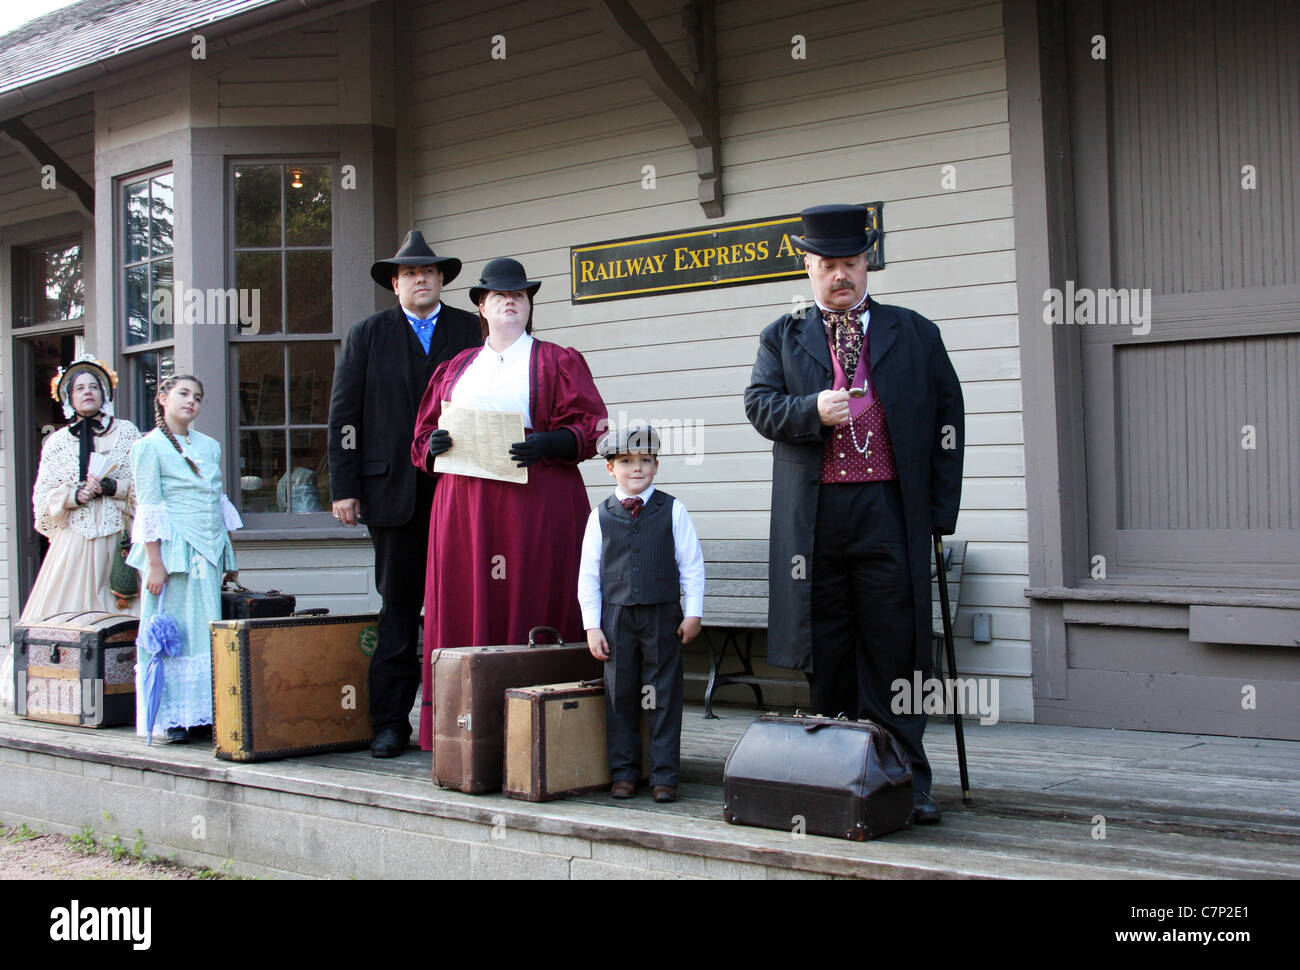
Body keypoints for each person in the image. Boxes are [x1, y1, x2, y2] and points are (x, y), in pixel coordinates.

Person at [744, 204, 964, 824]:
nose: (840, 275)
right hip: (816, 515)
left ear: (867, 264)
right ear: (808, 268)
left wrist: (938, 512)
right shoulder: (781, 336)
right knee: (829, 644)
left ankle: (903, 777)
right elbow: (761, 406)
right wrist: (811, 409)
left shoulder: (914, 331)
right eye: (828, 266)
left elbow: (949, 416)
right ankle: (835, 775)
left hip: (890, 507)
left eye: (851, 263)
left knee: (895, 647)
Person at [410, 257, 607, 752]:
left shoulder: (557, 359)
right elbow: (421, 437)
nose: (510, 302)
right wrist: (433, 444)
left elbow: (592, 426)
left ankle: (544, 728)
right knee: (467, 597)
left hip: (536, 502)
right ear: (481, 306)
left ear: (529, 304)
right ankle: (465, 728)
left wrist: (550, 443)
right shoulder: (456, 368)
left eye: (519, 295)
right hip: (464, 507)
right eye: (499, 296)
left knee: (535, 594)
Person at [328, 230, 481, 758]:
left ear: (442, 280)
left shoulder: (471, 329)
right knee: (398, 611)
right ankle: (390, 722)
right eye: (411, 273)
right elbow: (344, 416)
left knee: (463, 605)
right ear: (395, 284)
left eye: (431, 272)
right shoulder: (368, 334)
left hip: (461, 491)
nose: (422, 279)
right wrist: (345, 487)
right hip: (392, 494)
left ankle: (463, 720)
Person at [579, 424, 705, 803]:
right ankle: (624, 773)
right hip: (616, 617)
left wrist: (693, 612)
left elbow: (692, 565)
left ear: (656, 466)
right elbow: (588, 573)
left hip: (662, 614)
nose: (637, 469)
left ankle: (664, 775)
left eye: (645, 461)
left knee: (663, 693)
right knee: (621, 695)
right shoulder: (600, 516)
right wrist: (591, 625)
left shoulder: (673, 510)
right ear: (610, 469)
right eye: (627, 461)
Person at [128, 375, 242, 743]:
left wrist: (227, 553)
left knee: (204, 629)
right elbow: (149, 505)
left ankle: (205, 712)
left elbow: (215, 499)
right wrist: (155, 564)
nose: (191, 401)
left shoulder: (209, 446)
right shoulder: (149, 447)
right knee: (172, 630)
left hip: (206, 551)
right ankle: (173, 716)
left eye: (198, 396)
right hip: (173, 551)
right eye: (183, 394)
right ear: (162, 398)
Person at [19, 355, 141, 622]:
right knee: (64, 621)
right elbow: (43, 496)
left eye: (93, 386)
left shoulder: (127, 432)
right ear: (69, 398)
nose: (87, 392)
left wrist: (113, 487)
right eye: (80, 388)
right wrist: (74, 496)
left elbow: (146, 485)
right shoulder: (57, 443)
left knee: (124, 621)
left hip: (119, 541)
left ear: (104, 393)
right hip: (74, 542)